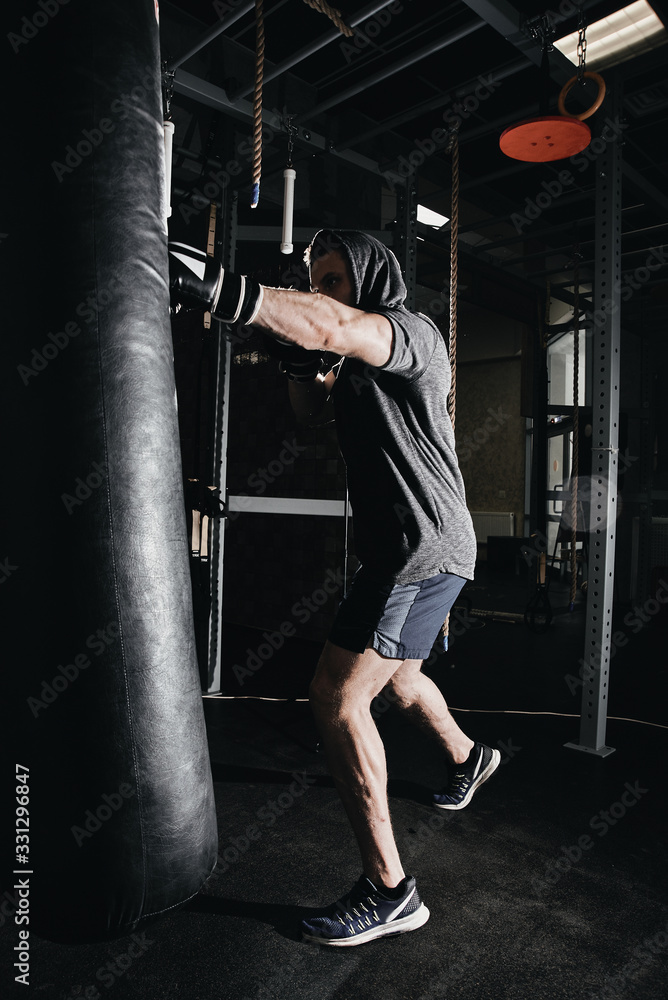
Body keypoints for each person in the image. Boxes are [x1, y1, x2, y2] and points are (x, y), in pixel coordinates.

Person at [168, 230, 500, 947]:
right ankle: (470, 758)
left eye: (334, 279)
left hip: (418, 547)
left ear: (372, 280)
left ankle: (391, 890)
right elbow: (306, 413)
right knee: (403, 678)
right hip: (419, 546)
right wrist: (299, 364)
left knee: (337, 697)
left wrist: (234, 295)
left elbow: (338, 326)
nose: (322, 291)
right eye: (314, 279)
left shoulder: (408, 332)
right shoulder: (350, 362)